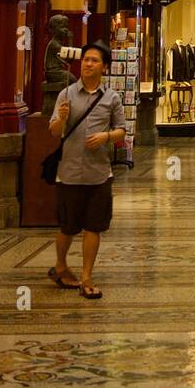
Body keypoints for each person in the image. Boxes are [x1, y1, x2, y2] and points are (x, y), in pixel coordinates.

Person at [47, 40, 125, 300]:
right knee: (67, 227)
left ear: (104, 67)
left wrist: (105, 137)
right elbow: (53, 131)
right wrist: (61, 117)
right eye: (86, 59)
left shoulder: (111, 98)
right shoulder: (66, 94)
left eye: (94, 60)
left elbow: (122, 131)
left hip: (99, 173)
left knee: (94, 226)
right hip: (68, 171)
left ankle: (87, 276)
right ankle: (60, 265)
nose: (88, 64)